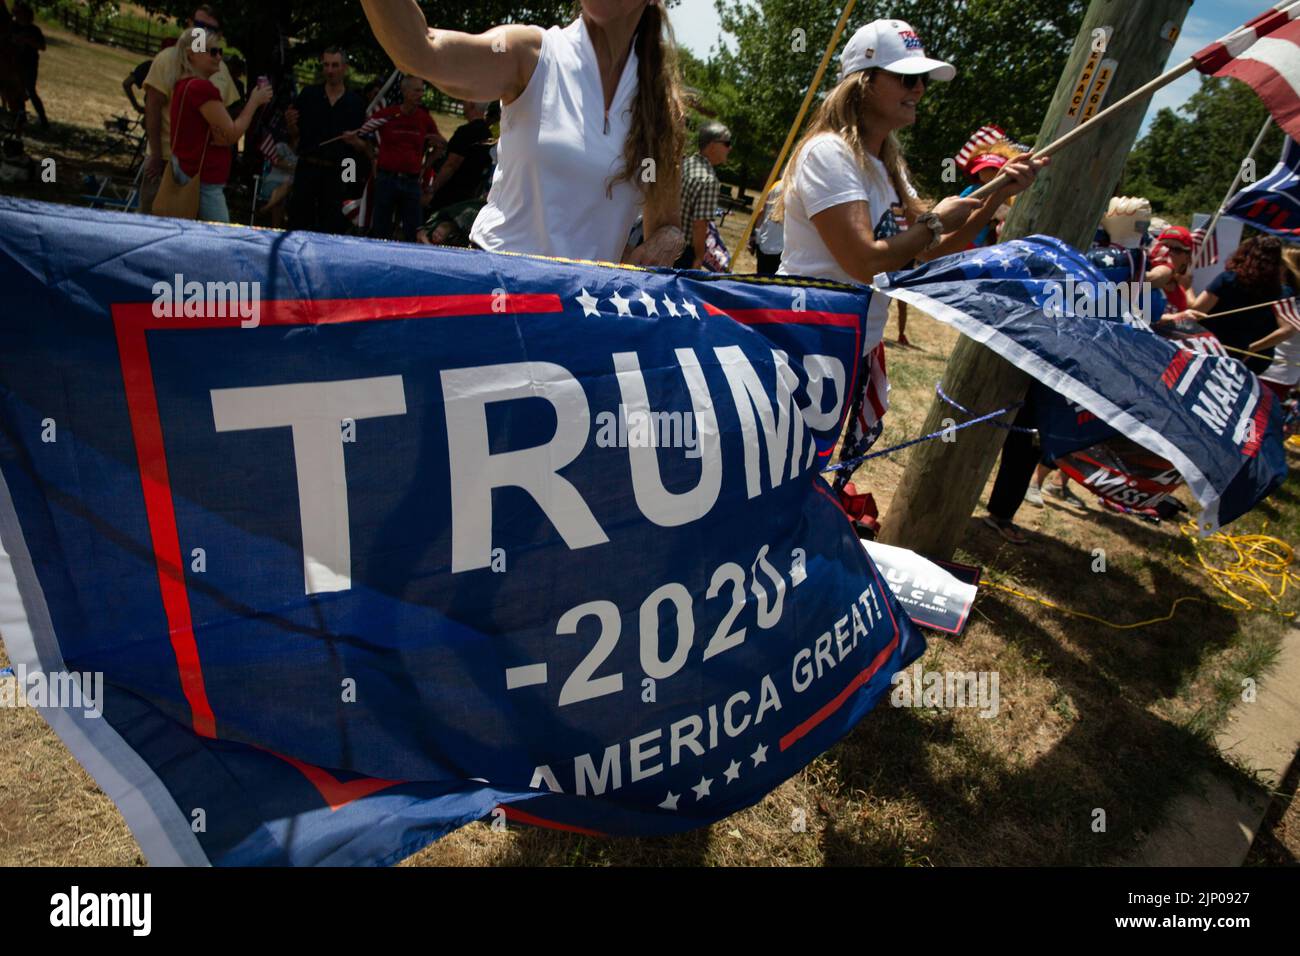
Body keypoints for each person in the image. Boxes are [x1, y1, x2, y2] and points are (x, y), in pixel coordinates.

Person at [361, 0, 687, 266]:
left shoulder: (660, 106)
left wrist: (668, 240)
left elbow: (664, 224)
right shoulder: (530, 54)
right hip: (494, 292)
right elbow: (423, 52)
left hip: (578, 316)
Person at [776, 19, 1042, 290]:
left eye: (923, 79)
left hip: (853, 331)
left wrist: (995, 195)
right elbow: (864, 265)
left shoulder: (889, 167)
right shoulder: (828, 153)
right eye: (908, 78)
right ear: (863, 82)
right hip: (806, 328)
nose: (920, 88)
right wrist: (934, 223)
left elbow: (930, 253)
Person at [141, 6, 239, 214]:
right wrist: (155, 154)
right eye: (199, 25)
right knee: (152, 224)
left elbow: (228, 111)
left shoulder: (219, 67)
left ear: (219, 35)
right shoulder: (168, 58)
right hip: (167, 159)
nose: (202, 33)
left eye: (209, 30)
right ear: (189, 25)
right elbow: (153, 106)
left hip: (203, 171)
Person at [167, 27, 272, 221]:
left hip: (184, 171)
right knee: (220, 241)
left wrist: (221, 133)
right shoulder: (202, 88)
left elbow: (218, 133)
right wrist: (254, 102)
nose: (219, 58)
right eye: (212, 51)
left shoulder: (183, 84)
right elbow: (231, 134)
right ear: (192, 54)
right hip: (203, 180)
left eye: (220, 52)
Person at [284, 48, 368, 234]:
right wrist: (290, 124)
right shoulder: (308, 95)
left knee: (331, 226)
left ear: (344, 68)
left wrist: (351, 182)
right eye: (326, 65)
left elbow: (363, 148)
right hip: (308, 167)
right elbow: (295, 136)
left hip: (339, 171)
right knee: (297, 222)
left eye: (335, 65)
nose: (330, 70)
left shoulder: (356, 103)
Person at [1192, 236, 1292, 374]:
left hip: (1214, 352)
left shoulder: (1228, 279)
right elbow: (1288, 329)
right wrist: (1253, 348)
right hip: (1253, 362)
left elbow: (1196, 312)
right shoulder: (1283, 292)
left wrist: (1186, 288)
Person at [366, 75, 441, 241]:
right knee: (381, 229)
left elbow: (440, 145)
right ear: (405, 91)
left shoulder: (424, 119)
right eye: (416, 91)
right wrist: (373, 160)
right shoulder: (388, 114)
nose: (420, 95)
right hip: (386, 178)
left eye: (422, 91)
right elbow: (364, 135)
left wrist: (425, 167)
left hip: (411, 181)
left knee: (413, 229)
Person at [676, 120, 731, 269]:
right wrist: (698, 258)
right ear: (712, 146)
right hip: (683, 253)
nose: (730, 148)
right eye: (726, 143)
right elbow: (699, 226)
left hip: (664, 239)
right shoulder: (709, 180)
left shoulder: (683, 165)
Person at [424, 100, 493, 211]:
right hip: (469, 195)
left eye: (464, 101)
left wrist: (432, 189)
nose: (462, 104)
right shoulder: (487, 134)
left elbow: (452, 164)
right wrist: (446, 145)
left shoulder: (465, 131)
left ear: (471, 104)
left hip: (450, 195)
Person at [10, 2, 45, 129]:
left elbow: (42, 46)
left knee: (30, 90)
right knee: (16, 90)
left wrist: (28, 41)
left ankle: (43, 119)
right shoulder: (12, 27)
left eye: (18, 13)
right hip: (15, 63)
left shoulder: (34, 30)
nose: (16, 15)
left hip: (30, 64)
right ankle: (21, 117)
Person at [750, 179, 784, 275]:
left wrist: (753, 234)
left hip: (764, 242)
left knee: (761, 279)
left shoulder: (776, 185)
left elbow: (762, 211)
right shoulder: (799, 188)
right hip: (781, 247)